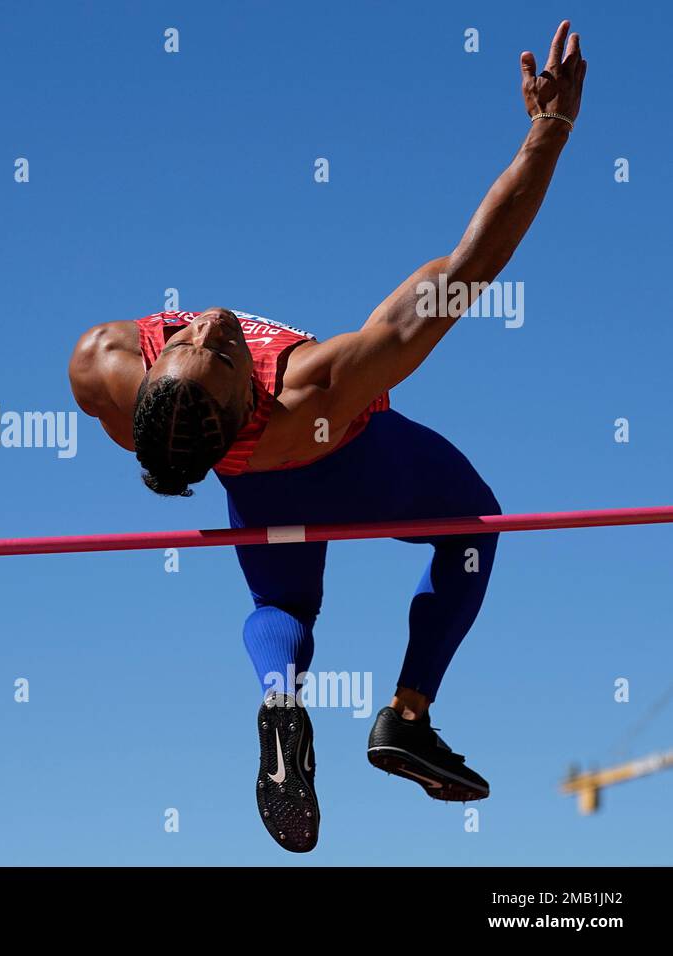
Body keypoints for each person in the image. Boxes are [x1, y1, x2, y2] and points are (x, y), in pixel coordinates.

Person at [67, 21, 585, 852]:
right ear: (248, 398)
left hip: (252, 487)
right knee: (474, 529)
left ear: (149, 382)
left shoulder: (110, 372)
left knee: (279, 602)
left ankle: (280, 700)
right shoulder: (324, 382)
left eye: (191, 344)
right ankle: (407, 718)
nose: (210, 329)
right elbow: (467, 269)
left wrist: (172, 444)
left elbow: (146, 439)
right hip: (364, 460)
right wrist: (548, 133)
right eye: (221, 354)